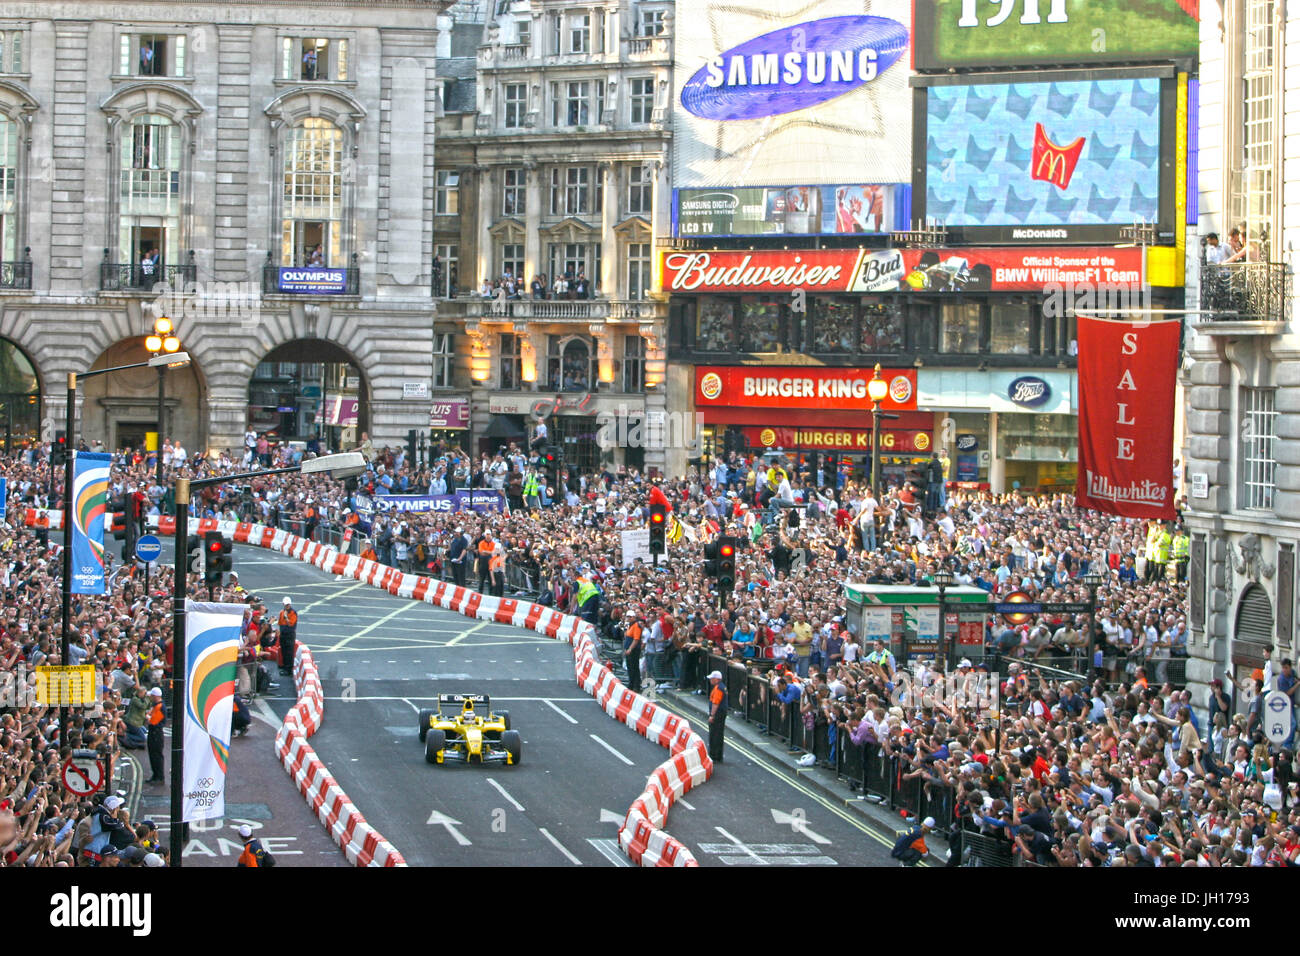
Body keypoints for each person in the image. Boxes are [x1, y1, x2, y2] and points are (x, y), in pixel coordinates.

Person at [146, 686, 166, 783]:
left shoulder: (160, 706)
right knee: (152, 755)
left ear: (155, 696)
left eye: (151, 696)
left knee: (156, 755)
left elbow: (153, 722)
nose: (150, 697)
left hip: (156, 734)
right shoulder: (156, 705)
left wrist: (148, 718)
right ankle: (155, 775)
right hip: (153, 733)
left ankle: (159, 777)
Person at [707, 669, 727, 763]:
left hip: (718, 714)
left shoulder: (718, 688)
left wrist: (712, 715)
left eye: (712, 678)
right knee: (719, 734)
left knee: (714, 734)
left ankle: (714, 755)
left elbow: (716, 703)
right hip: (721, 713)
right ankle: (718, 755)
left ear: (716, 679)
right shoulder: (722, 687)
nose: (710, 680)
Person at [623, 612, 643, 694]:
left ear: (634, 617)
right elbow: (626, 636)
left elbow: (636, 639)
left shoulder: (636, 626)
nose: (629, 618)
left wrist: (630, 649)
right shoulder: (630, 626)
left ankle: (636, 685)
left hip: (634, 650)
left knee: (634, 667)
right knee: (630, 667)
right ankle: (631, 684)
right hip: (628, 649)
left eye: (630, 617)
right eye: (628, 617)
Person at [277, 596, 298, 675]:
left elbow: (290, 624)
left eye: (288, 605)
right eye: (286, 605)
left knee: (289, 652)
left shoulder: (293, 613)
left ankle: (289, 669)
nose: (287, 606)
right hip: (283, 634)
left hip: (290, 634)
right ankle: (285, 666)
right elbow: (280, 623)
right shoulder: (281, 612)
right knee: (284, 651)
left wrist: (286, 617)